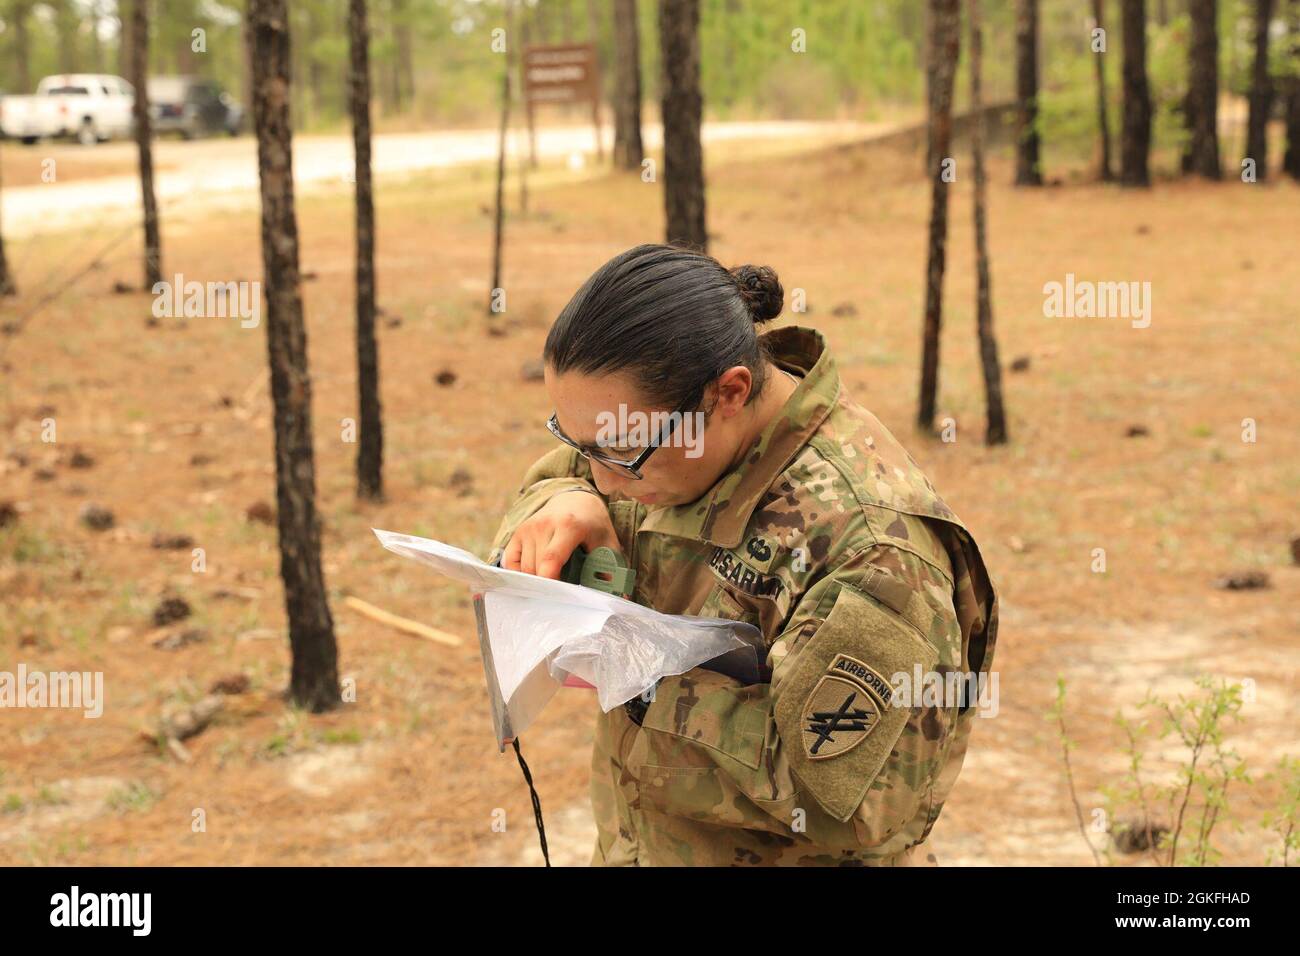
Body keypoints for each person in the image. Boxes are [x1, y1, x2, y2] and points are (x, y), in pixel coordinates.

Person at [487, 243, 998, 866]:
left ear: (728, 393)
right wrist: (565, 500)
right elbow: (561, 475)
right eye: (580, 443)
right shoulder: (656, 442)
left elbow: (847, 801)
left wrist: (641, 681)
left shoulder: (870, 552)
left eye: (618, 450)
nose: (605, 478)